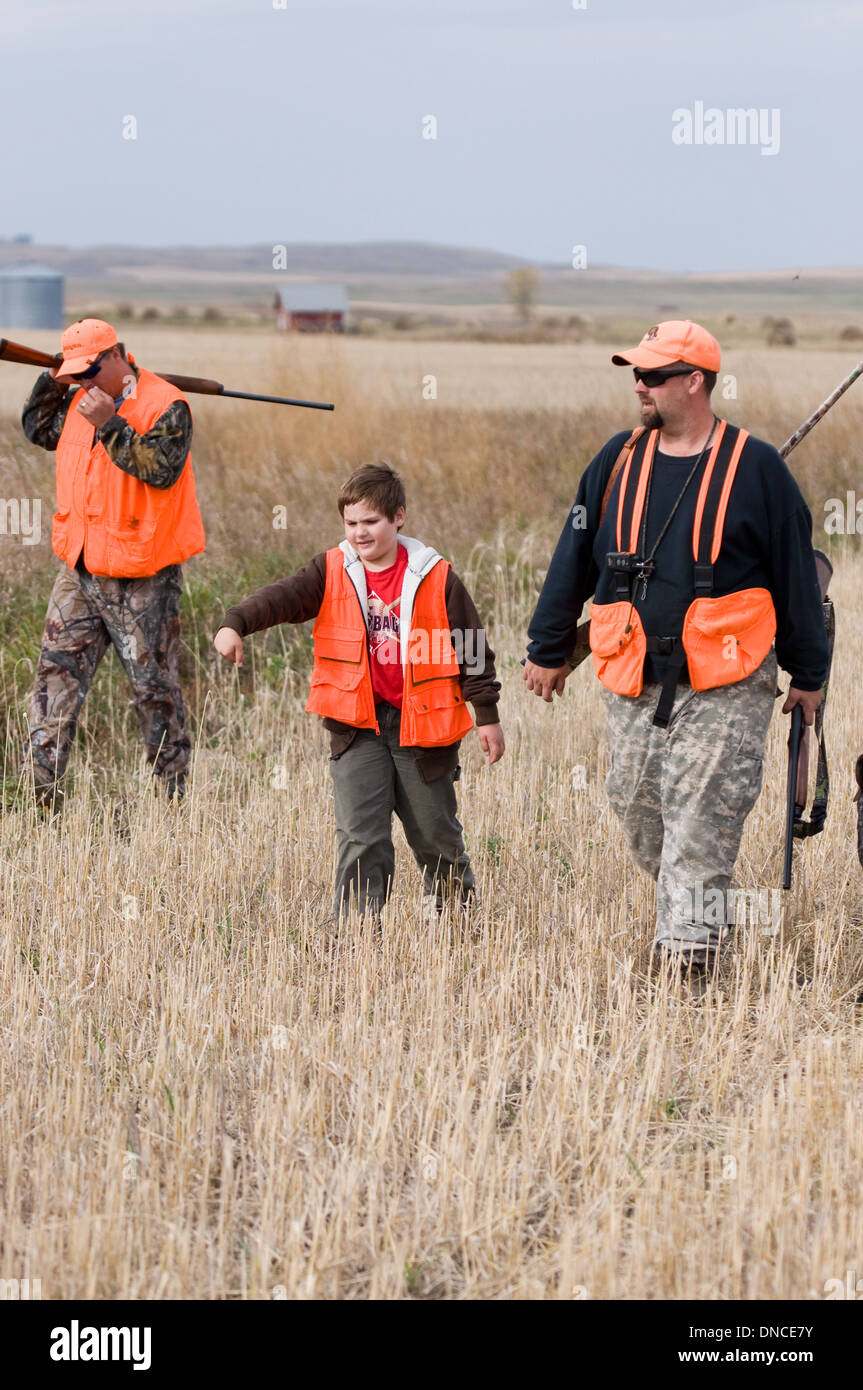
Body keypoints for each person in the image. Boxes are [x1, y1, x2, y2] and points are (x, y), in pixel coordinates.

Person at [523, 320, 828, 976]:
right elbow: (572, 555)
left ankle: (688, 970)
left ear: (694, 381)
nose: (639, 383)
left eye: (654, 374)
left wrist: (809, 673)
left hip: (729, 680)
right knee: (637, 811)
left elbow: (796, 579)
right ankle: (698, 911)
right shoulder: (615, 460)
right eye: (636, 372)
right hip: (634, 673)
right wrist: (547, 647)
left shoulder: (759, 471)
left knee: (699, 829)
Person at [214, 462, 504, 923]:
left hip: (422, 731)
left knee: (435, 837)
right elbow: (282, 597)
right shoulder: (332, 570)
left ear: (398, 517)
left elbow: (471, 647)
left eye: (370, 522)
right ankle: (354, 942)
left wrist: (486, 714)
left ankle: (458, 930)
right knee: (361, 838)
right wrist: (236, 623)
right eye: (350, 523)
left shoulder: (435, 576)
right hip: (357, 729)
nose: (359, 533)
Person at [20, 318, 205, 807]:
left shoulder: (168, 405)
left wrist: (112, 424)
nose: (84, 382)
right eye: (75, 374)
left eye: (91, 370)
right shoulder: (80, 397)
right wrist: (52, 377)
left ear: (118, 354)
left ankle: (174, 809)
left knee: (155, 694)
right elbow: (39, 429)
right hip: (78, 570)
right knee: (51, 685)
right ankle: (42, 805)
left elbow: (161, 471)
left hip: (143, 577)